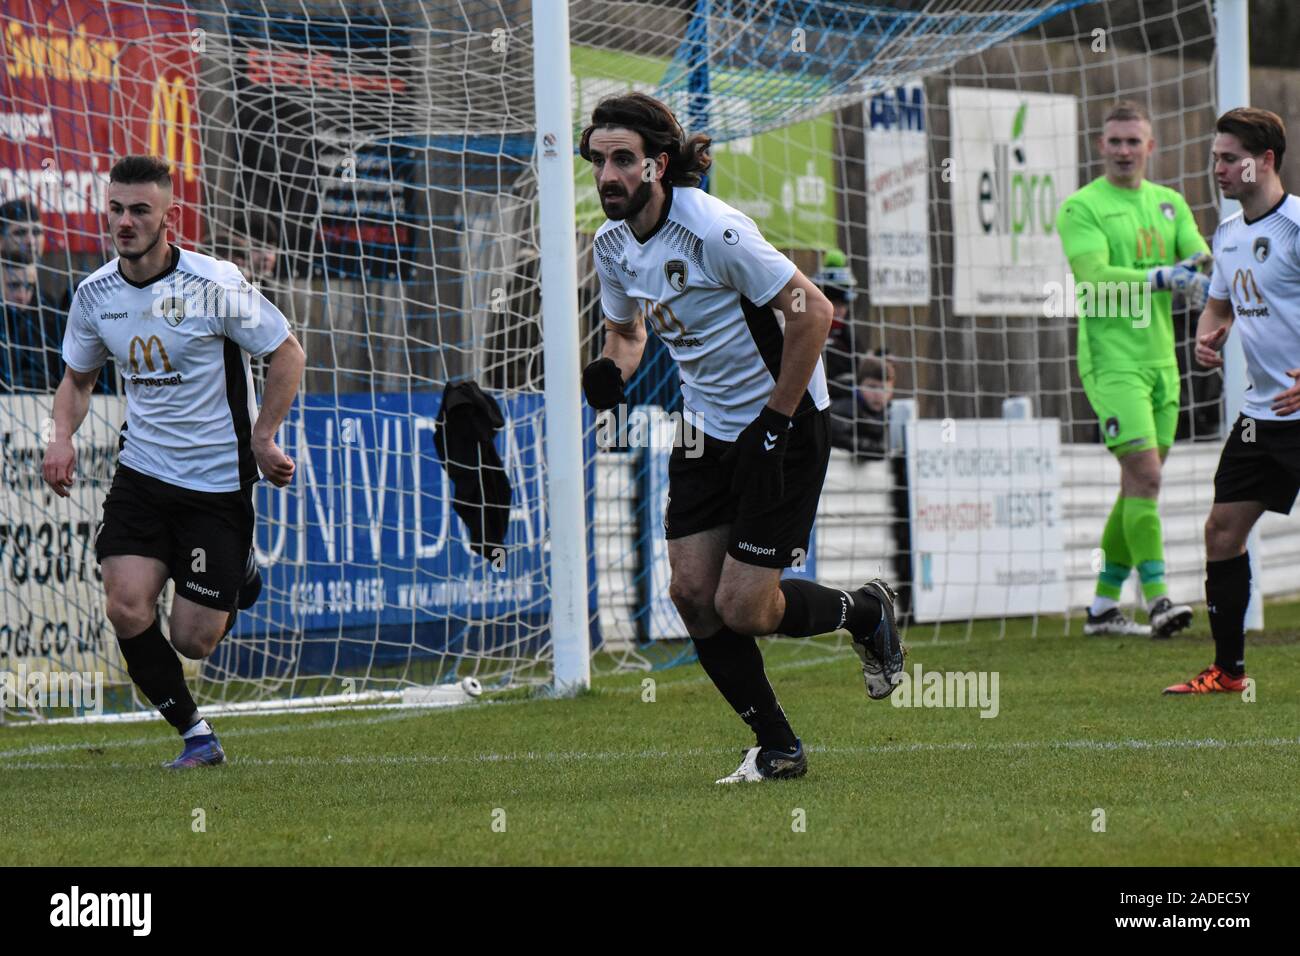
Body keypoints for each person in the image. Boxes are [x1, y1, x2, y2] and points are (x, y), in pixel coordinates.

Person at [579, 92, 904, 784]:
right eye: (600, 160)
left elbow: (813, 314)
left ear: (658, 165)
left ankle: (866, 612)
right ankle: (778, 746)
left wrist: (774, 422)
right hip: (704, 430)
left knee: (744, 608)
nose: (608, 175)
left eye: (624, 160)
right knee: (693, 596)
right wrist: (612, 370)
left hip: (783, 426)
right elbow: (628, 331)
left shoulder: (715, 232)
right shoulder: (609, 245)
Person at [41, 155, 306, 767]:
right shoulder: (95, 294)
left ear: (170, 217)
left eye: (139, 210)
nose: (124, 222)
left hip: (217, 482)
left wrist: (264, 437)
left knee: (194, 639)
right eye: (115, 209)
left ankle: (238, 572)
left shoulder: (215, 284)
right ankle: (196, 733)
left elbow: (287, 354)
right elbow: (77, 380)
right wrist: (61, 436)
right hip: (142, 475)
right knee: (125, 603)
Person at [1056, 101, 1206, 638]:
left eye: (1133, 141)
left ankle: (1101, 608)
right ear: (1101, 146)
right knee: (1147, 475)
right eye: (1115, 141)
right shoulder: (1082, 207)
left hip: (1164, 361)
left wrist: (1199, 273)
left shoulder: (1169, 203)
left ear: (1150, 146)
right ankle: (1159, 598)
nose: (1124, 151)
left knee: (1137, 487)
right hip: (1112, 362)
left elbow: (1197, 257)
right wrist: (1165, 277)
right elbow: (1094, 279)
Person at [1171, 107, 1295, 695]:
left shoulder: (1296, 227)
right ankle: (1228, 670)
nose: (1215, 167)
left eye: (1227, 158)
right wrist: (1206, 332)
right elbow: (1220, 302)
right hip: (1259, 416)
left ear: (1264, 160)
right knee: (1223, 530)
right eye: (1214, 156)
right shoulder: (1226, 233)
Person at [828, 351, 894, 460]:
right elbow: (835, 436)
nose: (878, 394)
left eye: (884, 388)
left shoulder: (887, 413)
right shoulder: (844, 408)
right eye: (872, 387)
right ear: (858, 386)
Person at [812, 248, 858, 399]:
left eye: (843, 305)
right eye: (834, 304)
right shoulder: (812, 332)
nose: (840, 311)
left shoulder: (847, 333)